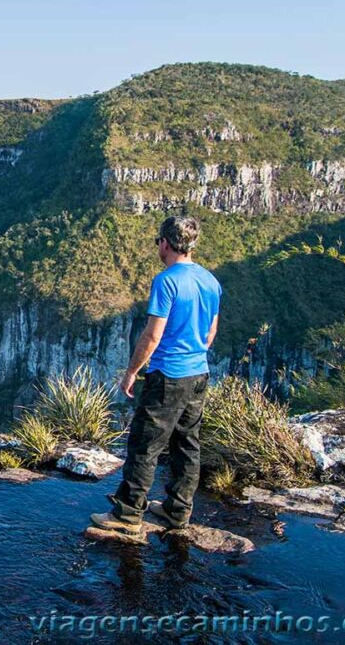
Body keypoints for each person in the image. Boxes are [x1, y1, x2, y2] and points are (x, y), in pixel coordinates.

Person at [90, 216, 221, 534]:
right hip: (199, 374)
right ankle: (178, 511)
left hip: (168, 376)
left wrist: (132, 372)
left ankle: (127, 514)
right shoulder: (210, 281)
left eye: (158, 242)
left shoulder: (167, 281)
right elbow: (210, 333)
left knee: (144, 445)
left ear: (165, 242)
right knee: (187, 443)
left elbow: (152, 335)